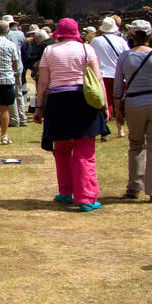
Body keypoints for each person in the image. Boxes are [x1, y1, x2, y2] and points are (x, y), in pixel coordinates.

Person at [34, 18, 109, 211]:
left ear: (58, 33)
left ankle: (66, 191)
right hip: (82, 100)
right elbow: (98, 78)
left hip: (58, 102)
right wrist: (105, 106)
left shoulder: (49, 51)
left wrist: (39, 107)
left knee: (62, 149)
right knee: (85, 150)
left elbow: (43, 82)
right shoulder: (86, 49)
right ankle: (86, 197)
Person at [114, 20, 152, 202]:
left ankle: (134, 187)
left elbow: (118, 89)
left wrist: (118, 110)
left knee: (136, 145)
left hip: (134, 104)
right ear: (150, 36)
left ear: (132, 36)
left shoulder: (124, 57)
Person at [91, 18, 129, 135]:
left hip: (102, 75)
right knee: (118, 104)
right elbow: (126, 56)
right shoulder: (121, 41)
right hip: (118, 75)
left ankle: (104, 129)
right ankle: (120, 129)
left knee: (104, 103)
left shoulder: (95, 41)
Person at [4, 16, 29, 126]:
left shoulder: (7, 35)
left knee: (11, 93)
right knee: (19, 93)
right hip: (19, 66)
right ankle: (23, 117)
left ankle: (14, 119)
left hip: (10, 67)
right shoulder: (21, 34)